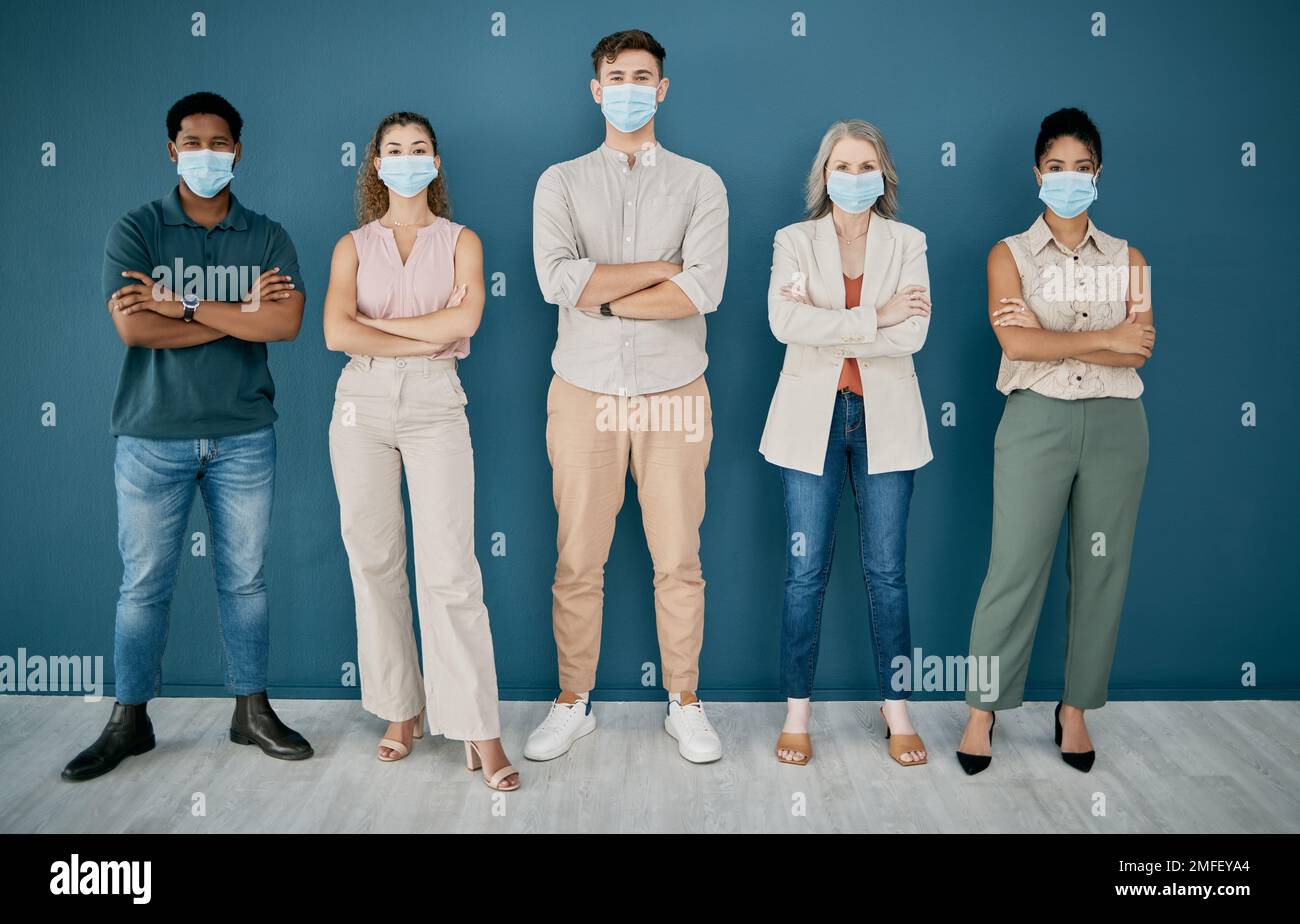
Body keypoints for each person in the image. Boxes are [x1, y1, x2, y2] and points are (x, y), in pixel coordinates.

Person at [64, 91, 311, 782]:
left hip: (243, 433)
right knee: (143, 585)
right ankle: (130, 718)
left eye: (221, 142)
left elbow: (285, 325)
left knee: (247, 581)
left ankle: (251, 710)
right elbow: (137, 328)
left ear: (239, 151)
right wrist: (238, 315)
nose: (208, 154)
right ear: (172, 150)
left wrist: (189, 304)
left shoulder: (267, 235)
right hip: (151, 435)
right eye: (194, 142)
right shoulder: (137, 230)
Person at [529, 28, 729, 764]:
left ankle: (685, 702)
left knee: (678, 556)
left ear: (663, 88)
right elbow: (557, 280)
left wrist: (604, 293)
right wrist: (655, 271)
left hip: (675, 390)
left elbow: (701, 288)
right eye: (617, 75)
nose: (630, 86)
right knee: (578, 557)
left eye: (643, 75)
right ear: (596, 88)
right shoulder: (561, 181)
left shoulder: (701, 182)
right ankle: (572, 701)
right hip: (583, 389)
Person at [322, 112, 519, 791]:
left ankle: (478, 729)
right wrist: (418, 334)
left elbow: (465, 323)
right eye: (394, 150)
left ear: (435, 161)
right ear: (375, 164)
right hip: (360, 406)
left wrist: (375, 327)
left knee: (451, 571)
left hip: (437, 402)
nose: (407, 159)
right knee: (375, 559)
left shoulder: (464, 241)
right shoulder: (352, 246)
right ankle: (399, 710)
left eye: (419, 149)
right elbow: (333, 334)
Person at [956, 108, 1155, 775]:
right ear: (1036, 173)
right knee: (1013, 567)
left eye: (1082, 168)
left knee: (1103, 570)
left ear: (1099, 175)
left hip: (1117, 426)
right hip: (1034, 419)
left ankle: (1075, 710)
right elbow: (1015, 343)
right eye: (1056, 167)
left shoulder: (1131, 258)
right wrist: (1104, 336)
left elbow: (1140, 351)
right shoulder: (1007, 254)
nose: (1068, 179)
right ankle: (981, 712)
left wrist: (1053, 334)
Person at [760, 120, 934, 767]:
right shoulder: (793, 240)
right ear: (824, 174)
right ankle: (797, 715)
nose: (854, 178)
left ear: (883, 174)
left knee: (887, 573)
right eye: (843, 165)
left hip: (886, 421)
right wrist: (874, 317)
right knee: (805, 574)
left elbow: (912, 335)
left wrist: (833, 326)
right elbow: (785, 323)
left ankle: (898, 712)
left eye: (866, 167)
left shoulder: (908, 241)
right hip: (810, 421)